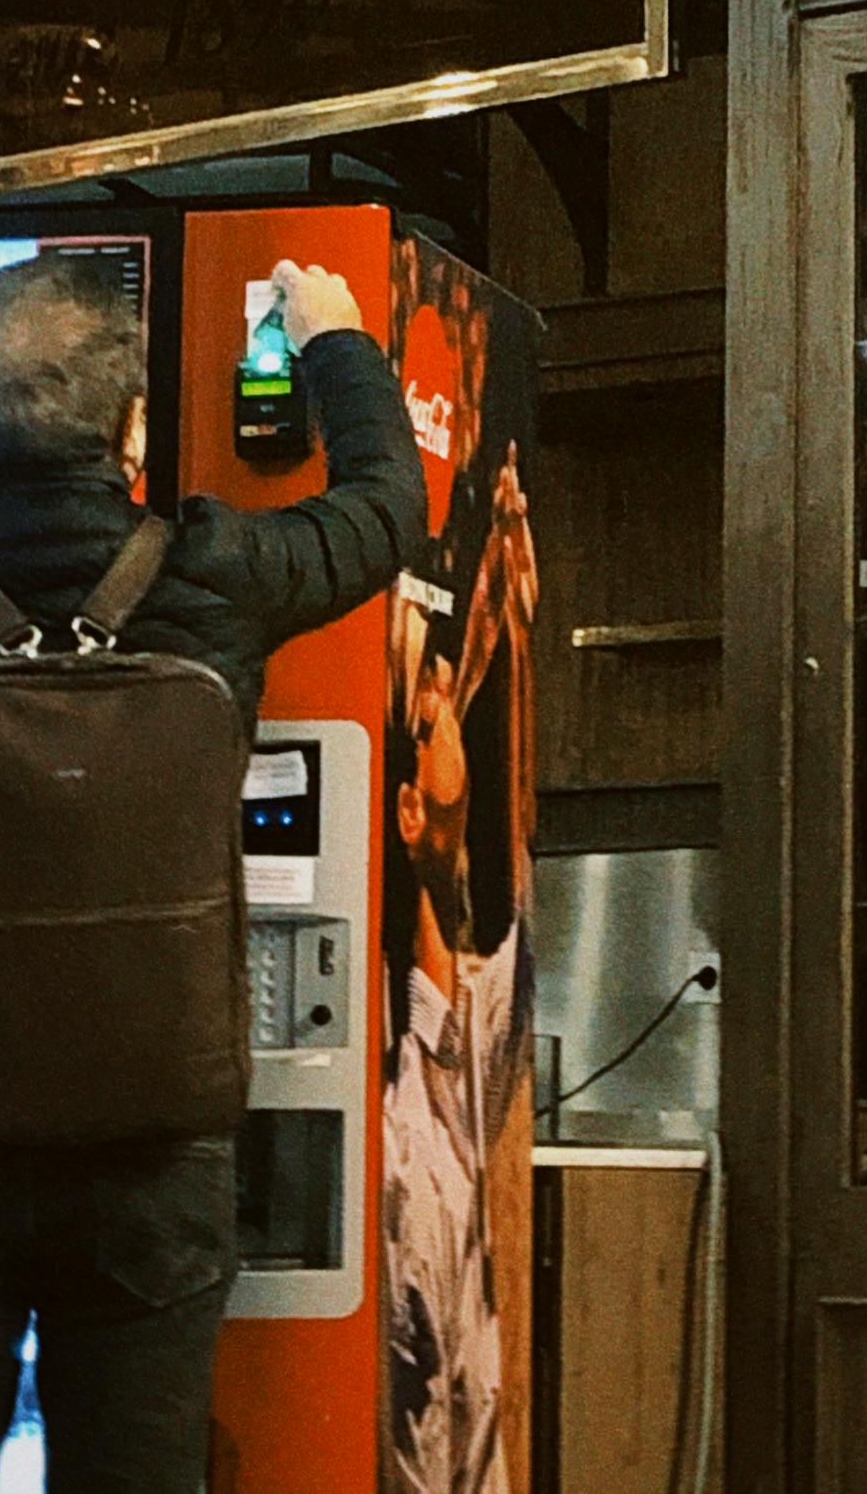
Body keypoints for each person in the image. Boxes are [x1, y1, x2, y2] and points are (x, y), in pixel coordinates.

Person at [0, 247, 428, 1494]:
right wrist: (330, 336)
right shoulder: (215, 577)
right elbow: (387, 510)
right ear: (135, 423)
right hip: (154, 1166)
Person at [383, 446, 536, 1494]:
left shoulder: (460, 1024)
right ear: (402, 814)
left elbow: (514, 859)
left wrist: (514, 629)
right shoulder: (395, 1120)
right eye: (432, 707)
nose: (447, 691)